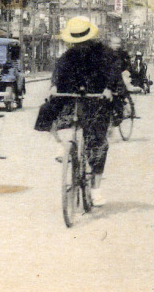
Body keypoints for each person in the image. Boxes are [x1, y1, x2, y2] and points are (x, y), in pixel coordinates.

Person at [45, 17, 120, 206]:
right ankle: (60, 144)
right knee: (47, 110)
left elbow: (113, 72)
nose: (79, 45)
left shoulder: (104, 53)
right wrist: (54, 86)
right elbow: (59, 70)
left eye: (83, 41)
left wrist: (108, 88)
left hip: (97, 98)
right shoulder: (68, 55)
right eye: (75, 41)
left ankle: (96, 189)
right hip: (73, 95)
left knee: (98, 144)